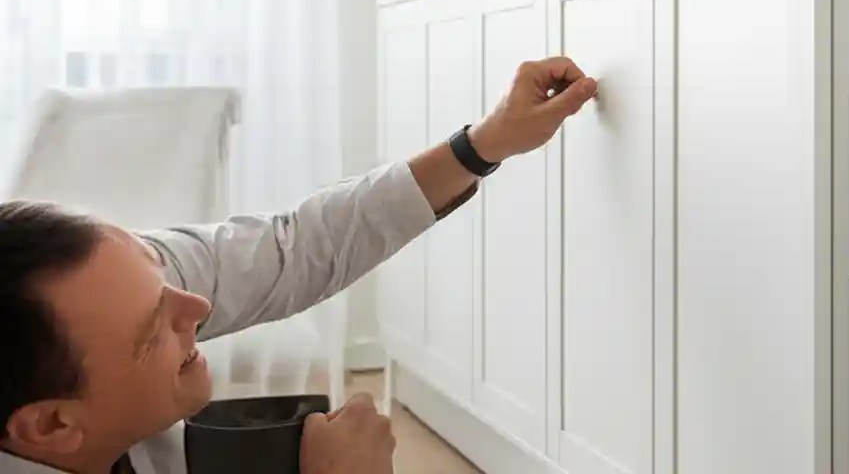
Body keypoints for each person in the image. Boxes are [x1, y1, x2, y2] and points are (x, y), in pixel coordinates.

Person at [0, 57, 598, 474]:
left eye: (165, 280)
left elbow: (295, 247)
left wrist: (485, 142)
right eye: (153, 328)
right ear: (51, 427)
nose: (202, 307)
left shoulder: (104, 290)